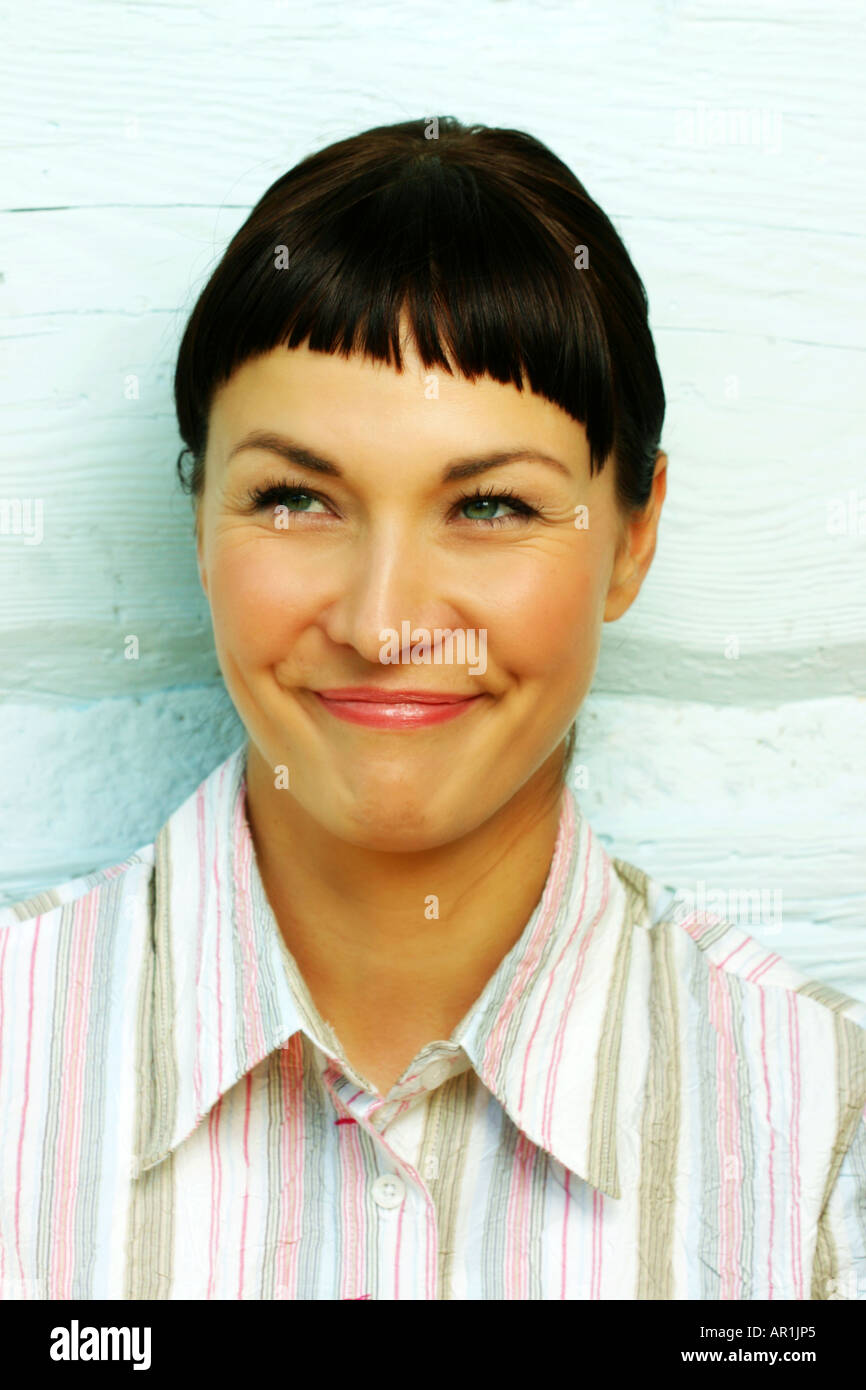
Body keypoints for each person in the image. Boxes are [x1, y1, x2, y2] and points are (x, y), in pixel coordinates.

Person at [1, 116, 864, 1302]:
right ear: (198, 518)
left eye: (494, 507)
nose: (386, 621)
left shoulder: (819, 1129)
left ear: (633, 532)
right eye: (296, 497)